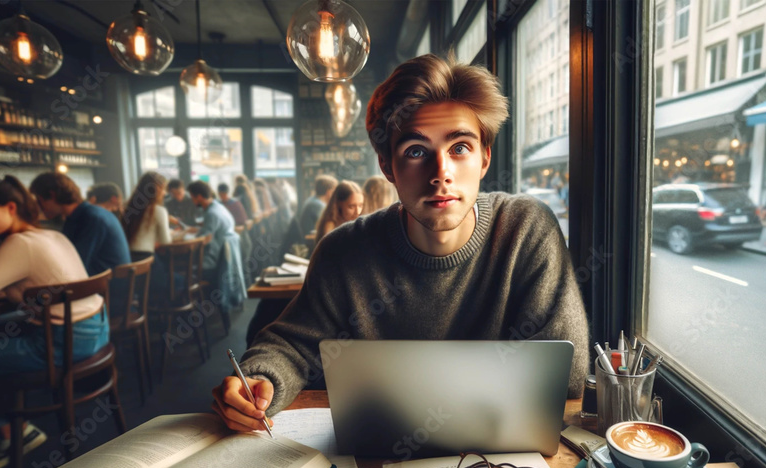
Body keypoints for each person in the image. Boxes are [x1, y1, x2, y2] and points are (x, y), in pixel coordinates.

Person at [213, 54, 589, 433]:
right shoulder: (343, 251)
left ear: (485, 158)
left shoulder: (526, 229)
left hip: (500, 459)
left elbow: (567, 378)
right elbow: (290, 346)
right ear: (387, 166)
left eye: (460, 147)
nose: (441, 173)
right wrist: (261, 380)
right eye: (415, 151)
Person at [0, 176, 109, 468]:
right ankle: (7, 426)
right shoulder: (50, 235)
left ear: (10, 207)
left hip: (62, 343)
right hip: (96, 332)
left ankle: (2, 435)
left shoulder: (18, 243)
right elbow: (35, 285)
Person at [30, 172, 131, 276]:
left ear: (52, 195)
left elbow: (75, 265)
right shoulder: (82, 215)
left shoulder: (91, 218)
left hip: (108, 289)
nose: (39, 207)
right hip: (105, 284)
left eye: (39, 200)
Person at [188, 181, 247, 310]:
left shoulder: (211, 213)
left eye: (192, 197)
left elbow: (201, 240)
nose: (192, 200)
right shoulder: (218, 207)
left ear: (198, 196)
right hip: (222, 258)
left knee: (180, 271)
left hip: (212, 265)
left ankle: (189, 312)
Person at [122, 171, 172, 254]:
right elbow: (166, 241)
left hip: (127, 257)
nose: (164, 193)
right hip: (145, 259)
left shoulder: (128, 207)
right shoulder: (159, 211)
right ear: (157, 189)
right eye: (163, 189)